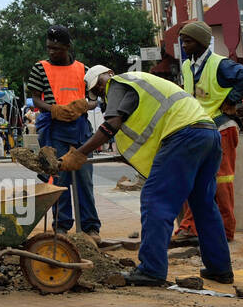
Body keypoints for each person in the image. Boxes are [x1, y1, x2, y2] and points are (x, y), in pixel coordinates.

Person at [62, 65, 231, 286]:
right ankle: (220, 268)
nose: (103, 96)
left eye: (99, 90)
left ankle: (152, 270)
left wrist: (79, 153)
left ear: (103, 80)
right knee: (204, 205)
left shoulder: (118, 83)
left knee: (155, 200)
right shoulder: (141, 83)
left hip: (183, 136)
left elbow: (111, 124)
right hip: (207, 133)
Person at [172, 20, 243, 243]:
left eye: (188, 41)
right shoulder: (187, 66)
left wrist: (232, 99)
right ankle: (192, 227)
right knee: (196, 179)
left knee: (221, 180)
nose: (184, 45)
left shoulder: (219, 64)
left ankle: (225, 231)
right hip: (200, 129)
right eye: (182, 41)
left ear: (201, 42)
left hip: (221, 128)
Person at [25, 25, 101, 236]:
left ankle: (91, 227)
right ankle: (61, 225)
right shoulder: (39, 69)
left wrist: (83, 105)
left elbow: (94, 98)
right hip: (54, 127)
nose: (51, 52)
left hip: (80, 128)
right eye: (49, 48)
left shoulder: (83, 70)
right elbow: (36, 99)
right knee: (59, 179)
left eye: (56, 48)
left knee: (85, 178)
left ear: (67, 47)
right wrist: (54, 109)